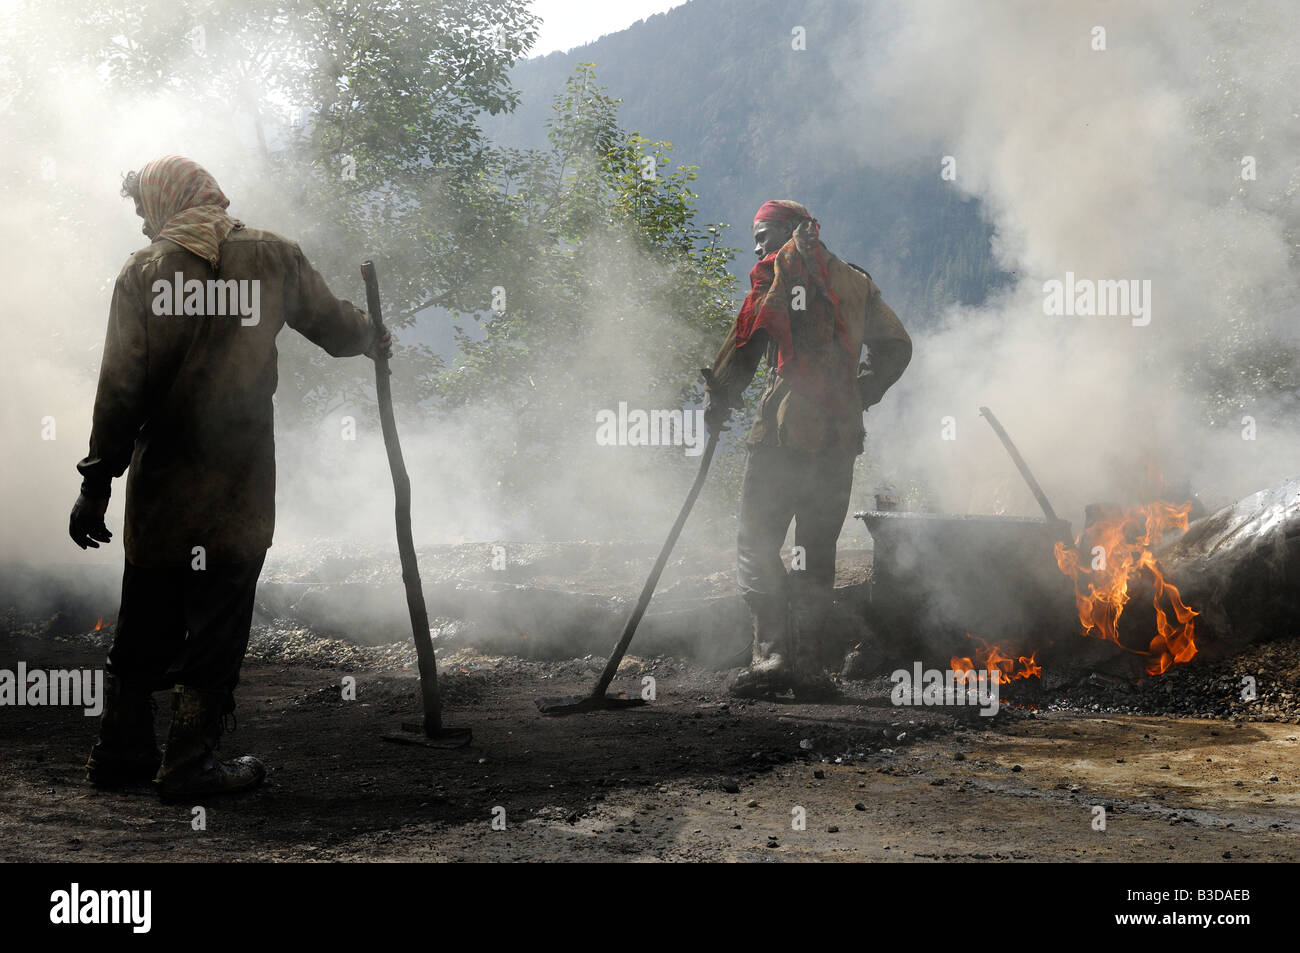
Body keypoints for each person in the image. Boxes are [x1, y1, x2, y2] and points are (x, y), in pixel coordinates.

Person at [70, 155, 391, 799]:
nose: (141, 225)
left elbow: (119, 390)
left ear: (166, 198)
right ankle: (188, 764)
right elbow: (333, 329)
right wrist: (372, 335)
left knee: (147, 613)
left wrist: (97, 481)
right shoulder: (272, 257)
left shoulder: (143, 272)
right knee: (218, 614)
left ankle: (122, 754)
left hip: (162, 482)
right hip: (237, 483)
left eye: (142, 209)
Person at [704, 200, 911, 699]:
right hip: (838, 440)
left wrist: (720, 401)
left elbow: (747, 344)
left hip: (782, 436)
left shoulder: (774, 277)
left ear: (791, 230)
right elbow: (897, 345)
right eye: (754, 236)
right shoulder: (855, 281)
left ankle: (772, 658)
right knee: (815, 552)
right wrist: (859, 393)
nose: (758, 245)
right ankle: (812, 671)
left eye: (765, 233)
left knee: (756, 542)